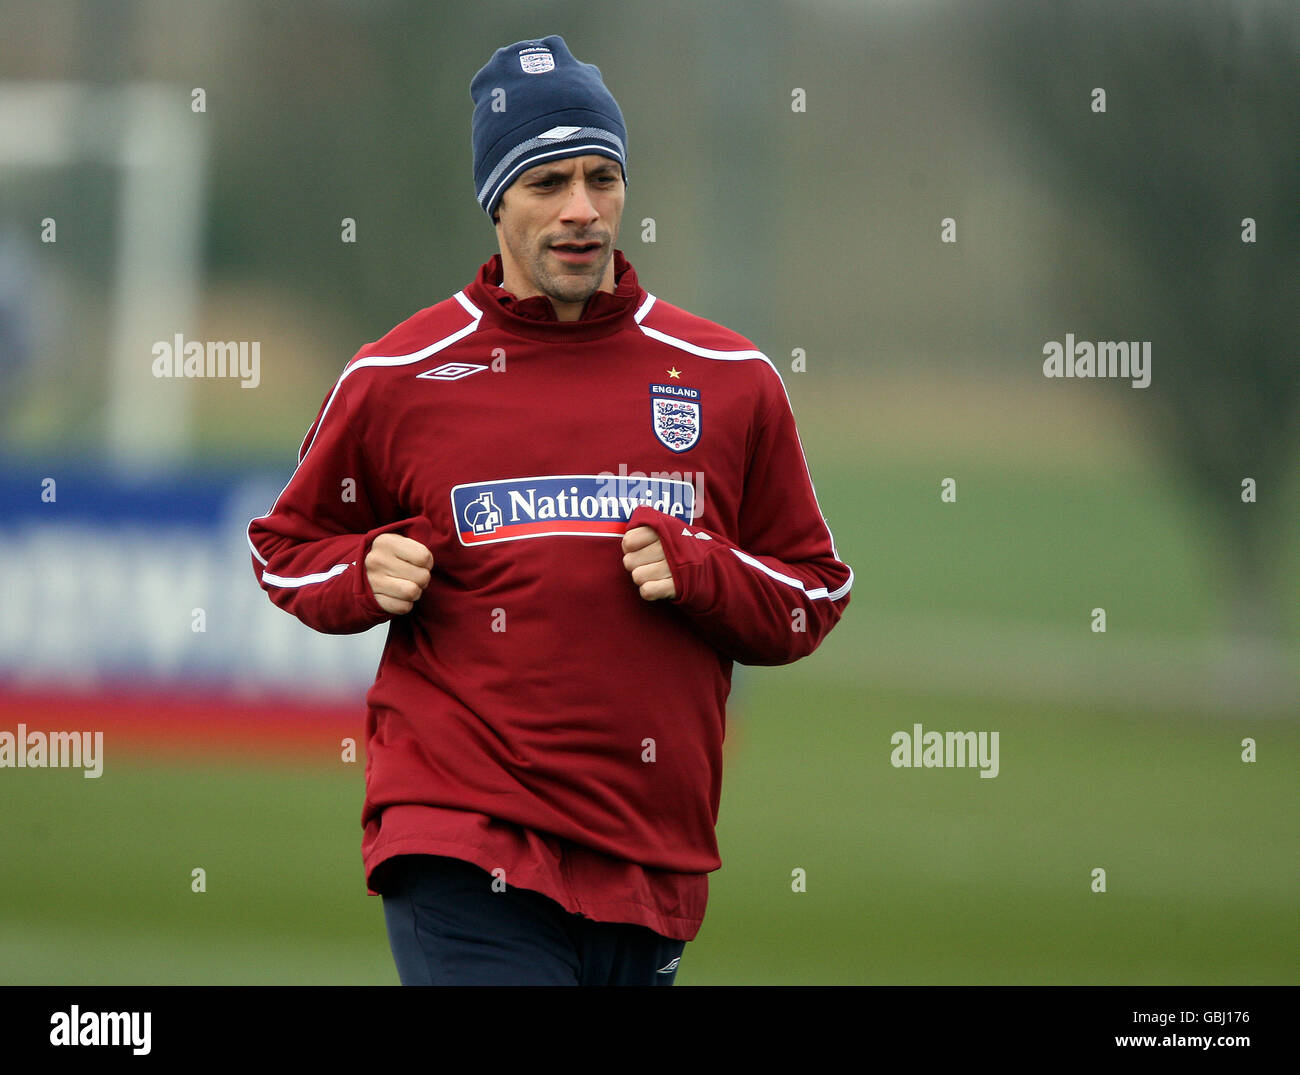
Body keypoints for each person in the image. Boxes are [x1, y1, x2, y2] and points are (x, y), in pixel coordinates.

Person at [247, 34, 852, 986]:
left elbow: (813, 591)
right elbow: (286, 549)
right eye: (546, 182)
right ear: (496, 201)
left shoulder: (730, 380)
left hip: (652, 855)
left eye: (601, 177)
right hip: (459, 834)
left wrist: (703, 572)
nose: (581, 211)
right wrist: (360, 571)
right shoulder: (399, 374)